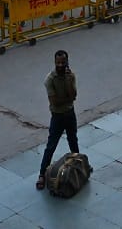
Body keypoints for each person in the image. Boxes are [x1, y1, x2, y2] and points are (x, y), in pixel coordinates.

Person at [36, 50, 78, 191]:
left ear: (67, 62)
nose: (60, 65)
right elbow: (55, 102)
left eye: (63, 62)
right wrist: (68, 98)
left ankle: (78, 165)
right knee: (51, 145)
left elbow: (73, 95)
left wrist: (68, 82)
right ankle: (42, 174)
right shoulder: (49, 79)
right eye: (58, 62)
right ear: (54, 63)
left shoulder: (70, 76)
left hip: (70, 113)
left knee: (73, 140)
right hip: (58, 116)